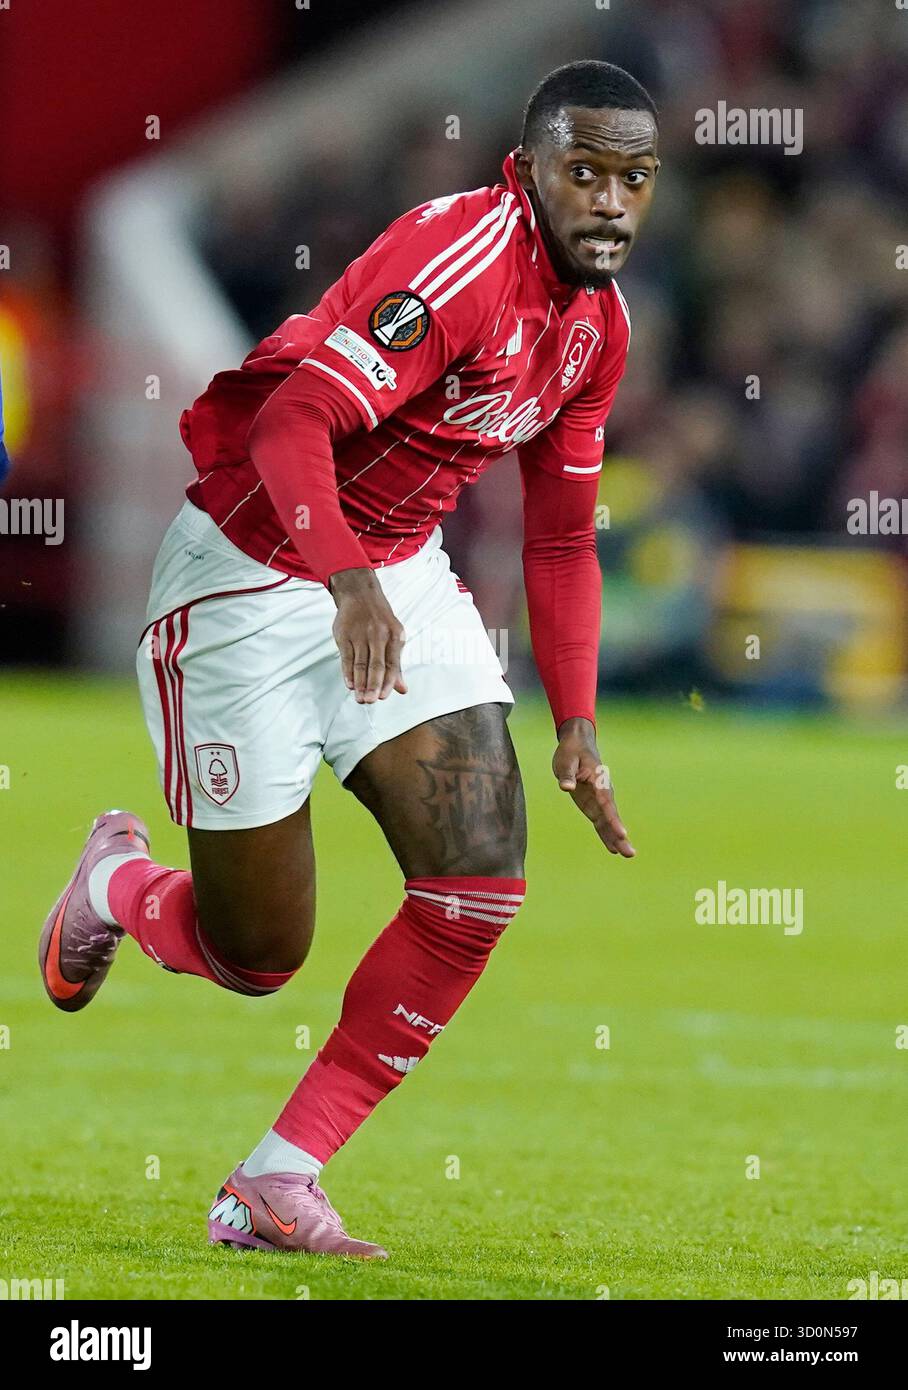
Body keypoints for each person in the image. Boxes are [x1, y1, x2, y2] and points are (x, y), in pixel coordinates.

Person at [39, 59, 658, 1259]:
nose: (610, 203)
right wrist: (347, 582)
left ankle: (276, 1178)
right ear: (525, 170)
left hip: (394, 573)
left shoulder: (599, 328)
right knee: (257, 955)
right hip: (248, 575)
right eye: (583, 172)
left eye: (633, 179)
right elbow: (289, 425)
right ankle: (115, 884)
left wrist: (575, 721)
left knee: (479, 876)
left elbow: (561, 529)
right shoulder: (460, 267)